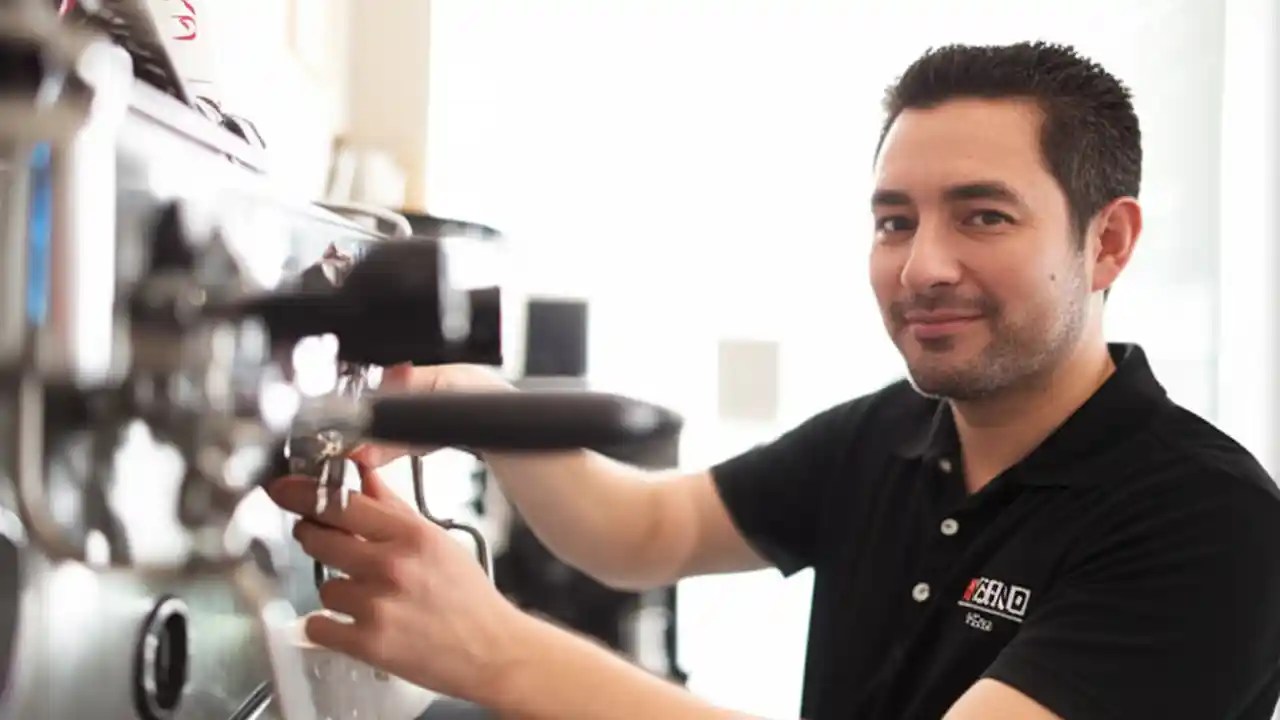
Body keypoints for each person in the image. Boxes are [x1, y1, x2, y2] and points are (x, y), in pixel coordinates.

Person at [266, 41, 1280, 719]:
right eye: (893, 221)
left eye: (982, 215)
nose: (920, 266)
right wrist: (464, 405)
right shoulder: (894, 433)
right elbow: (643, 533)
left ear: (1106, 242)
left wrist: (496, 651)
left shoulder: (1205, 522)